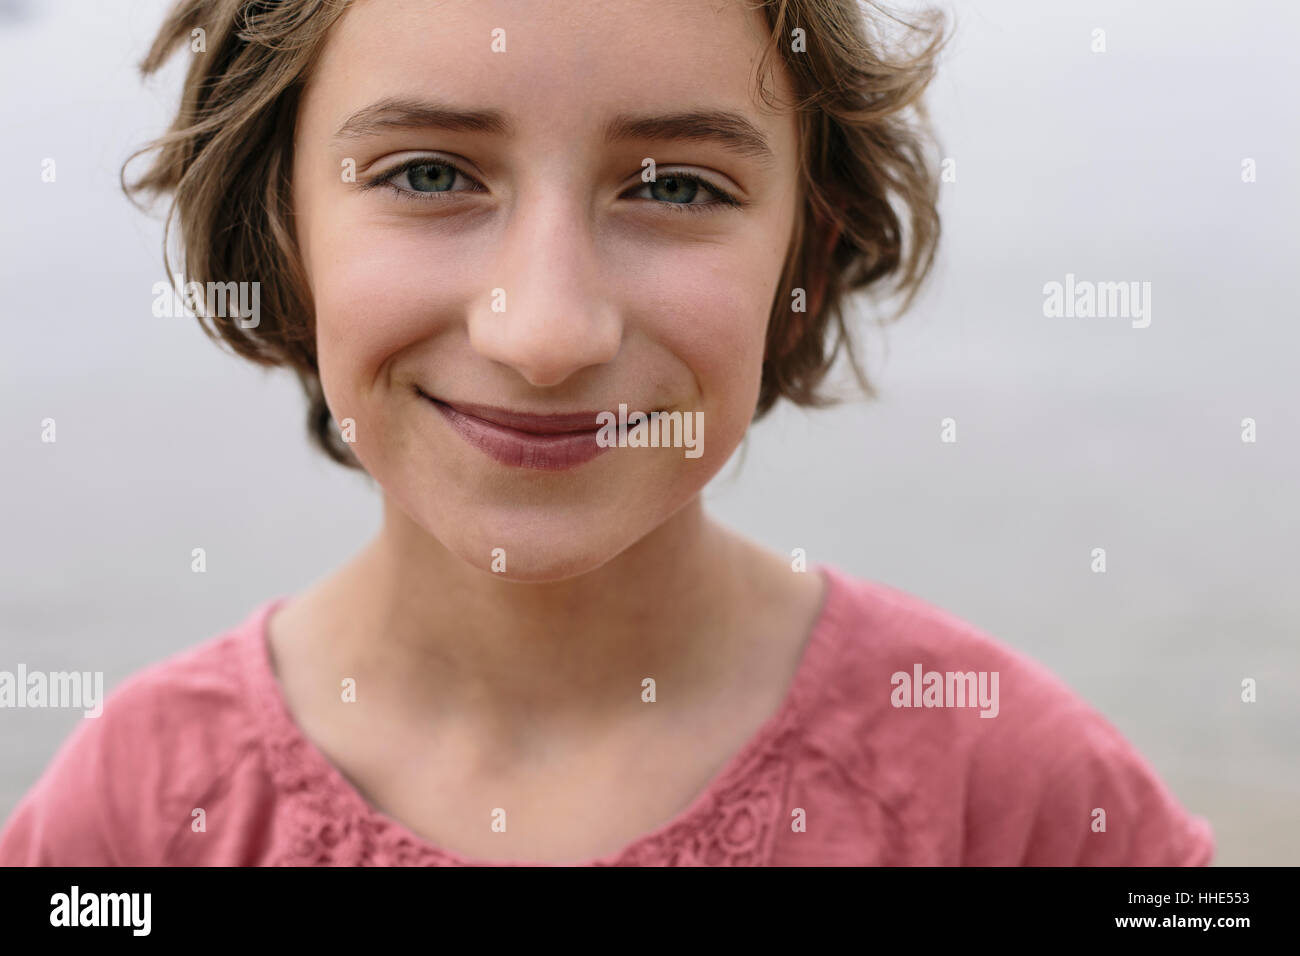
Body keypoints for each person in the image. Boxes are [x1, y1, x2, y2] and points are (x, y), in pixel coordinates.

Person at [0, 0, 1212, 866]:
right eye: (429, 174)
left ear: (812, 245)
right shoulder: (136, 819)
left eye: (677, 186)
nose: (545, 330)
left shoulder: (1017, 803)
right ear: (280, 227)